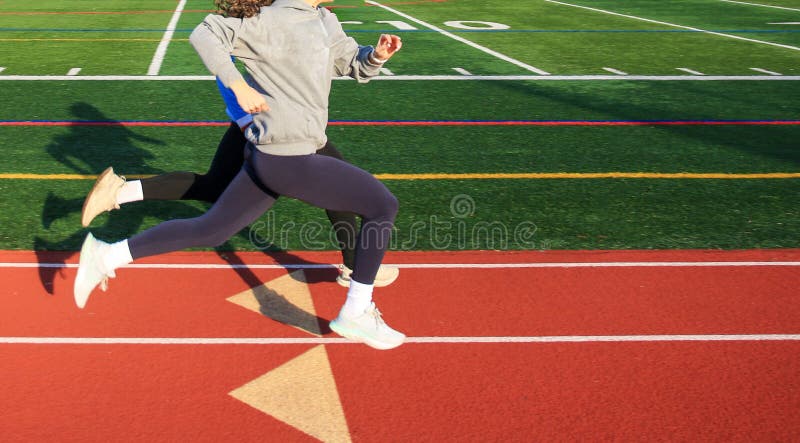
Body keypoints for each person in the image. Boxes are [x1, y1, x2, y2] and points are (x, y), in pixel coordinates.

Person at [74, 0, 406, 350]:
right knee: (381, 205)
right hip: (286, 157)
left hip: (278, 154)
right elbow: (204, 34)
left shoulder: (324, 20)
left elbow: (353, 65)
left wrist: (377, 57)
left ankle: (105, 255)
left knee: (211, 229)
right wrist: (238, 85)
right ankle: (355, 310)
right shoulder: (266, 18)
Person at [81, 79, 399, 288]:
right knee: (339, 185)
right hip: (271, 127)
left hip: (273, 122)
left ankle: (120, 191)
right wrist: (247, 120)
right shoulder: (260, 13)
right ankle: (355, 267)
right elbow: (224, 65)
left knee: (216, 188)